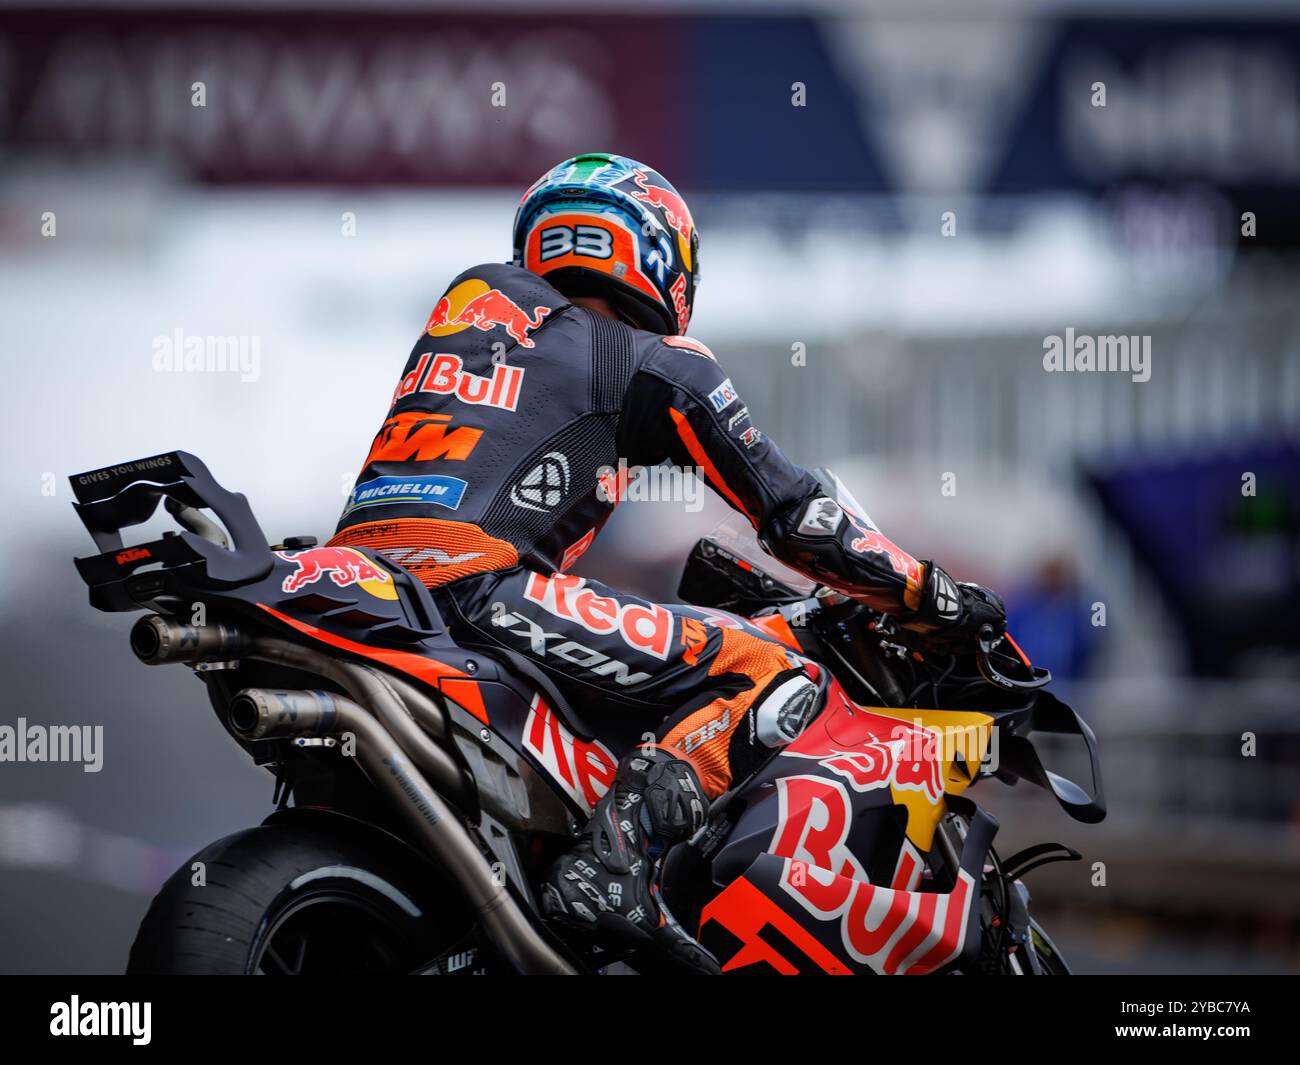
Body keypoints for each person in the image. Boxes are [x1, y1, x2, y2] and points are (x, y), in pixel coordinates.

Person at [327, 153, 1005, 969]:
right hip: (477, 589)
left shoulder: (469, 303)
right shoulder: (653, 362)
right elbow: (796, 516)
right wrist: (929, 590)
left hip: (361, 581)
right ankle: (614, 863)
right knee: (770, 668)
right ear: (658, 257)